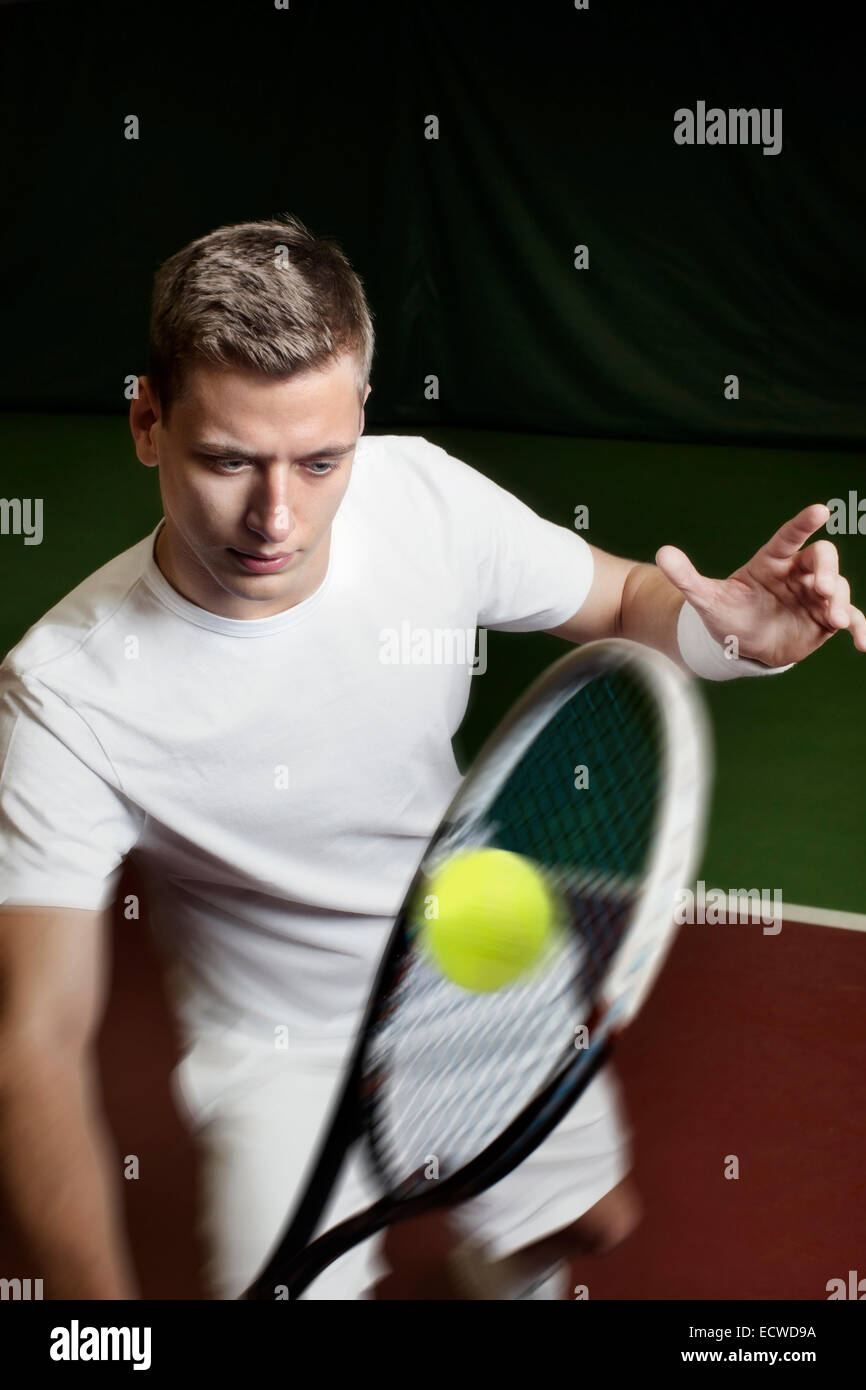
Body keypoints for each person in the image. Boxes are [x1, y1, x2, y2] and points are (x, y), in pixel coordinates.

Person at [0, 217, 862, 1301]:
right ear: (145, 423)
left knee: (590, 1222)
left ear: (361, 415)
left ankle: (493, 1259)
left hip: (466, 960)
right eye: (227, 459)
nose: (277, 515)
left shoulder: (421, 501)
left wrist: (736, 635)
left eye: (320, 460)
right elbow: (35, 1038)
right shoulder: (66, 691)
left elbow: (622, 598)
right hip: (282, 1046)